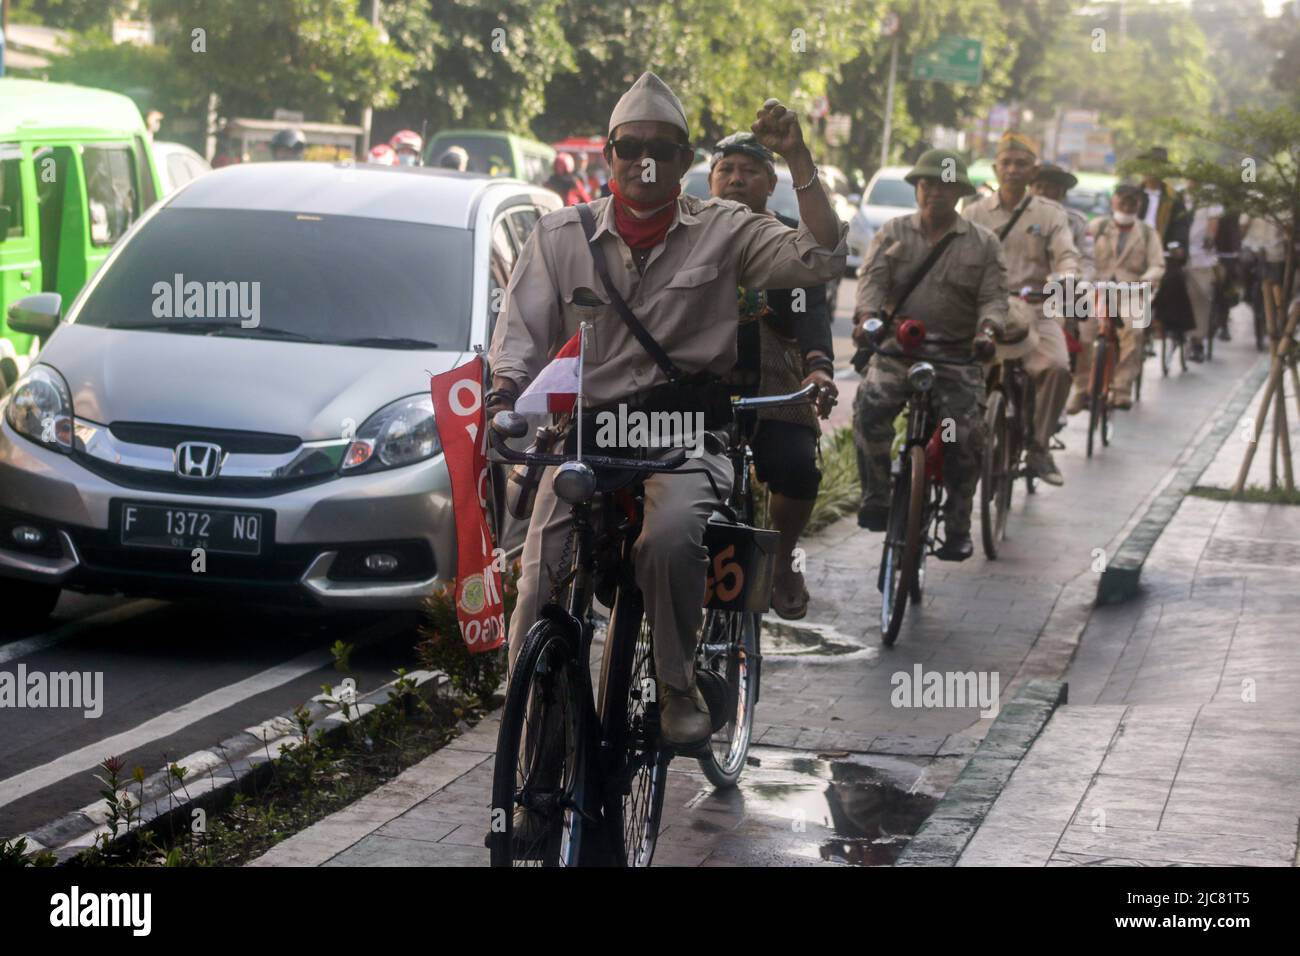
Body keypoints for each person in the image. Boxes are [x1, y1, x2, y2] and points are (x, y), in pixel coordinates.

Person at [487, 72, 846, 747]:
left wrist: (799, 159)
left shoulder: (728, 230)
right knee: (540, 570)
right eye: (630, 146)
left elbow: (820, 259)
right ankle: (533, 719)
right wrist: (505, 398)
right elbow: (520, 340)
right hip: (589, 435)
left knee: (671, 539)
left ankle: (678, 685)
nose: (644, 159)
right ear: (609, 155)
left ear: (684, 162)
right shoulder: (560, 236)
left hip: (685, 433)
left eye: (663, 146)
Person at [851, 149, 1009, 562]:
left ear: (958, 192)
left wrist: (988, 331)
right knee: (871, 408)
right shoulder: (892, 233)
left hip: (956, 359)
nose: (933, 193)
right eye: (926, 185)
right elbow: (870, 284)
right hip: (896, 353)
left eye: (943, 186)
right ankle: (878, 497)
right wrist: (866, 318)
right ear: (917, 189)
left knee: (963, 435)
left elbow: (994, 299)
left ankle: (957, 526)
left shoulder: (984, 244)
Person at [708, 131, 838, 619]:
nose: (738, 179)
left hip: (775, 388)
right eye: (727, 170)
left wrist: (819, 368)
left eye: (750, 170)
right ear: (711, 180)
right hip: (700, 392)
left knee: (797, 466)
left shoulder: (793, 242)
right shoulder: (687, 233)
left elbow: (810, 310)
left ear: (771, 182)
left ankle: (783, 560)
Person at [963, 131, 1081, 487]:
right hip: (984, 308)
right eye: (1007, 163)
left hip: (1035, 310)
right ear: (996, 168)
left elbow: (1067, 257)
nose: (1013, 170)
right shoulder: (974, 212)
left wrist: (1066, 281)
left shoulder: (1051, 214)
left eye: (1021, 164)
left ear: (1033, 171)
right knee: (956, 372)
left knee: (1058, 367)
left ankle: (1039, 446)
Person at [1066, 184, 1165, 413]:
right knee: (1082, 333)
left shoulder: (1148, 234)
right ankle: (1081, 389)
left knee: (1135, 331)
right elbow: (1078, 254)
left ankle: (1121, 389)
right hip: (1095, 288)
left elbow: (1157, 265)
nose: (1127, 205)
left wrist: (1145, 281)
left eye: (1133, 201)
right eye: (1123, 200)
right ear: (1114, 201)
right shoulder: (1097, 226)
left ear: (1139, 205)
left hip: (1130, 290)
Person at [1183, 180, 1222, 362]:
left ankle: (1197, 340)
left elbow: (1213, 224)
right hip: (1180, 254)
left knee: (1201, 296)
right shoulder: (1180, 196)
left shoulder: (1210, 199)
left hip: (1201, 257)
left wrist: (1209, 239)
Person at [1032, 164, 1093, 278]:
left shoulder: (1077, 222)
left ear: (1062, 192)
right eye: (1038, 186)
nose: (1042, 191)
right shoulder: (1022, 218)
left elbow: (1087, 260)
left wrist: (1079, 283)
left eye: (1049, 187)